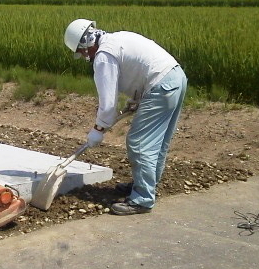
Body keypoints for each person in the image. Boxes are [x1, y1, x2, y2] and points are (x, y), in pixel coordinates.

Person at [63, 18, 187, 215]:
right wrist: (138, 99)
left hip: (161, 86)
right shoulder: (116, 38)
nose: (83, 56)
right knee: (157, 143)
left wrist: (98, 130)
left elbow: (108, 104)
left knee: (139, 143)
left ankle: (143, 199)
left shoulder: (103, 56)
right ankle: (145, 185)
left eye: (80, 52)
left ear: (85, 46)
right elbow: (141, 66)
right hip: (175, 77)